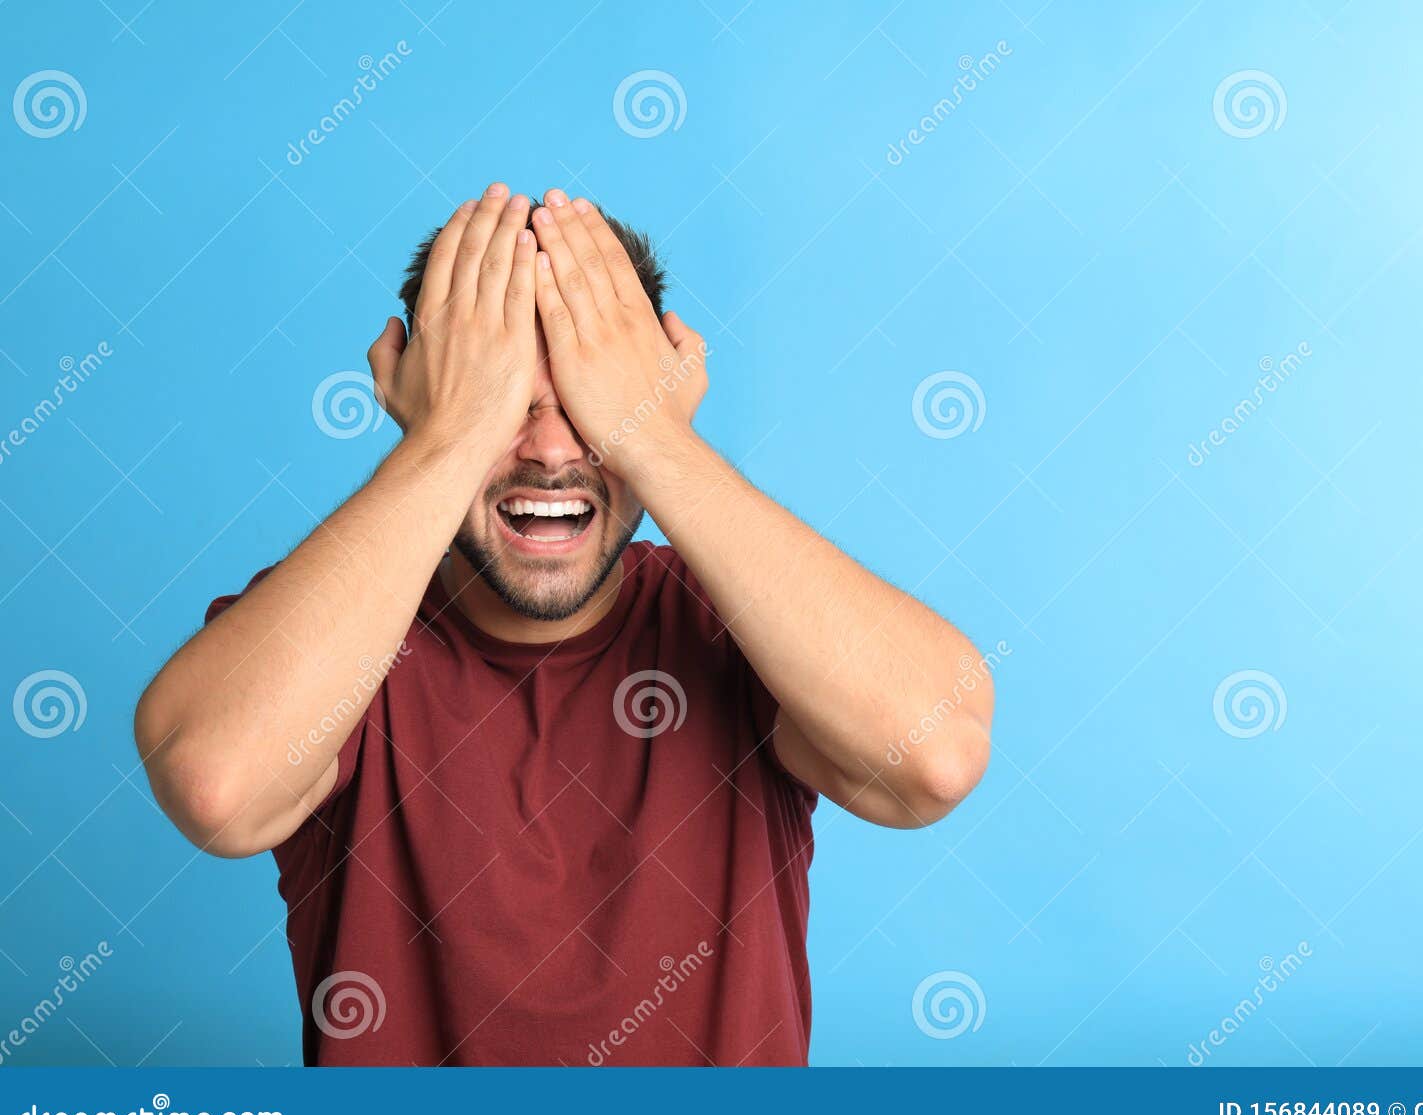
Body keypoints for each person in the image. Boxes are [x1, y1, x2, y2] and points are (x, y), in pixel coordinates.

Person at [134, 182, 993, 1065]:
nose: (550, 451)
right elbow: (217, 791)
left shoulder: (740, 625)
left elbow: (935, 759)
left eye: (588, 402)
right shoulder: (338, 627)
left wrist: (655, 438)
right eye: (505, 403)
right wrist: (449, 438)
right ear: (421, 395)